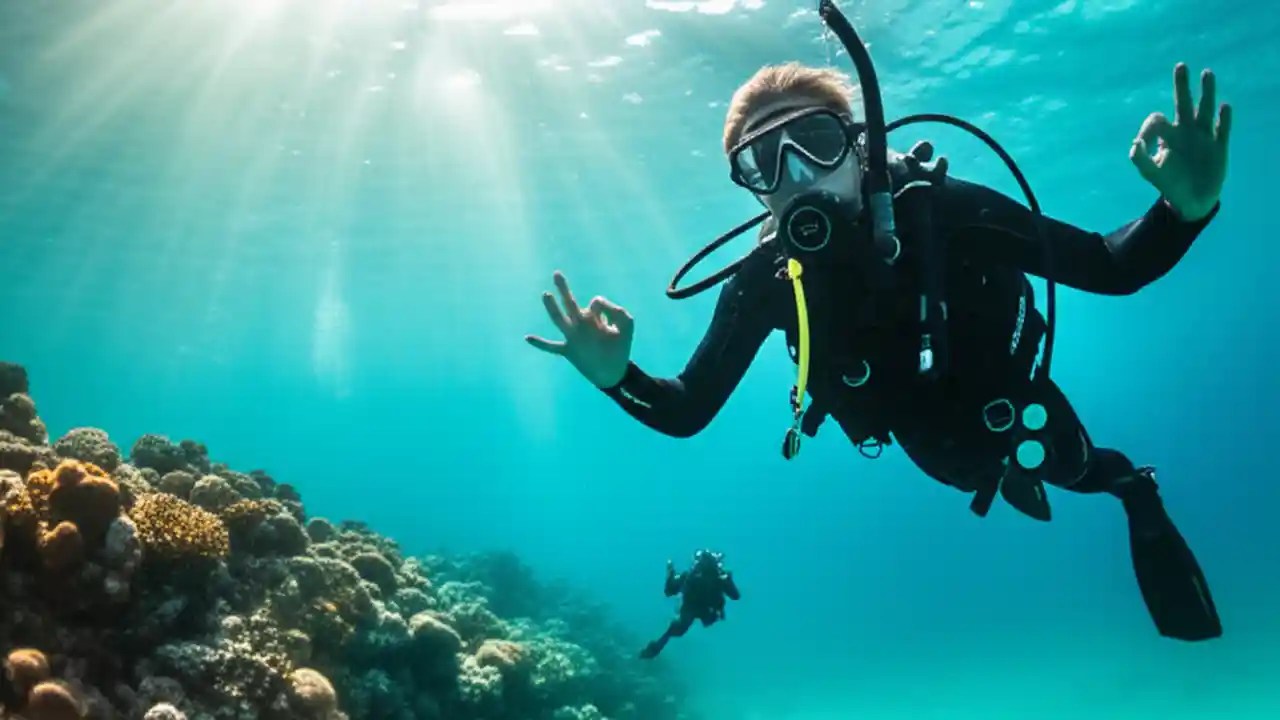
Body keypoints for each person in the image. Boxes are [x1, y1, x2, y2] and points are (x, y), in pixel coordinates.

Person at [526, 12, 1232, 641]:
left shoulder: (944, 213)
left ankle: (1135, 491)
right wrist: (616, 376)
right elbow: (686, 409)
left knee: (1081, 470)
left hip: (1011, 407)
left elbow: (1110, 265)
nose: (795, 174)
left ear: (861, 147)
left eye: (813, 141)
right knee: (968, 475)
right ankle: (1014, 482)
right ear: (750, 189)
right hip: (923, 442)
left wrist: (1182, 214)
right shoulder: (766, 281)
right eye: (762, 163)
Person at [639, 550, 741, 659]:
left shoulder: (692, 577)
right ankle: (654, 649)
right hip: (703, 609)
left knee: (677, 629)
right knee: (678, 628)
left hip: (696, 608)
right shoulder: (717, 579)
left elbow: (669, 591)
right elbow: (735, 596)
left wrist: (670, 573)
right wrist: (728, 581)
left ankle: (654, 649)